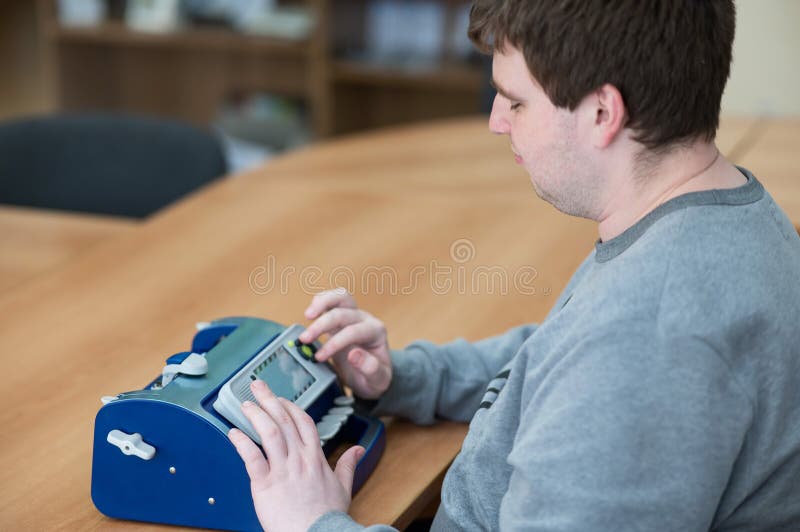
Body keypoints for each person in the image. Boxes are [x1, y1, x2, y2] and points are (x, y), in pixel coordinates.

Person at [228, 0, 800, 530]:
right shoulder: (717, 214)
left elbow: (608, 362)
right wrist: (407, 379)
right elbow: (560, 352)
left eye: (518, 100)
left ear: (602, 111)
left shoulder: (647, 341)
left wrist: (313, 523)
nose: (497, 120)